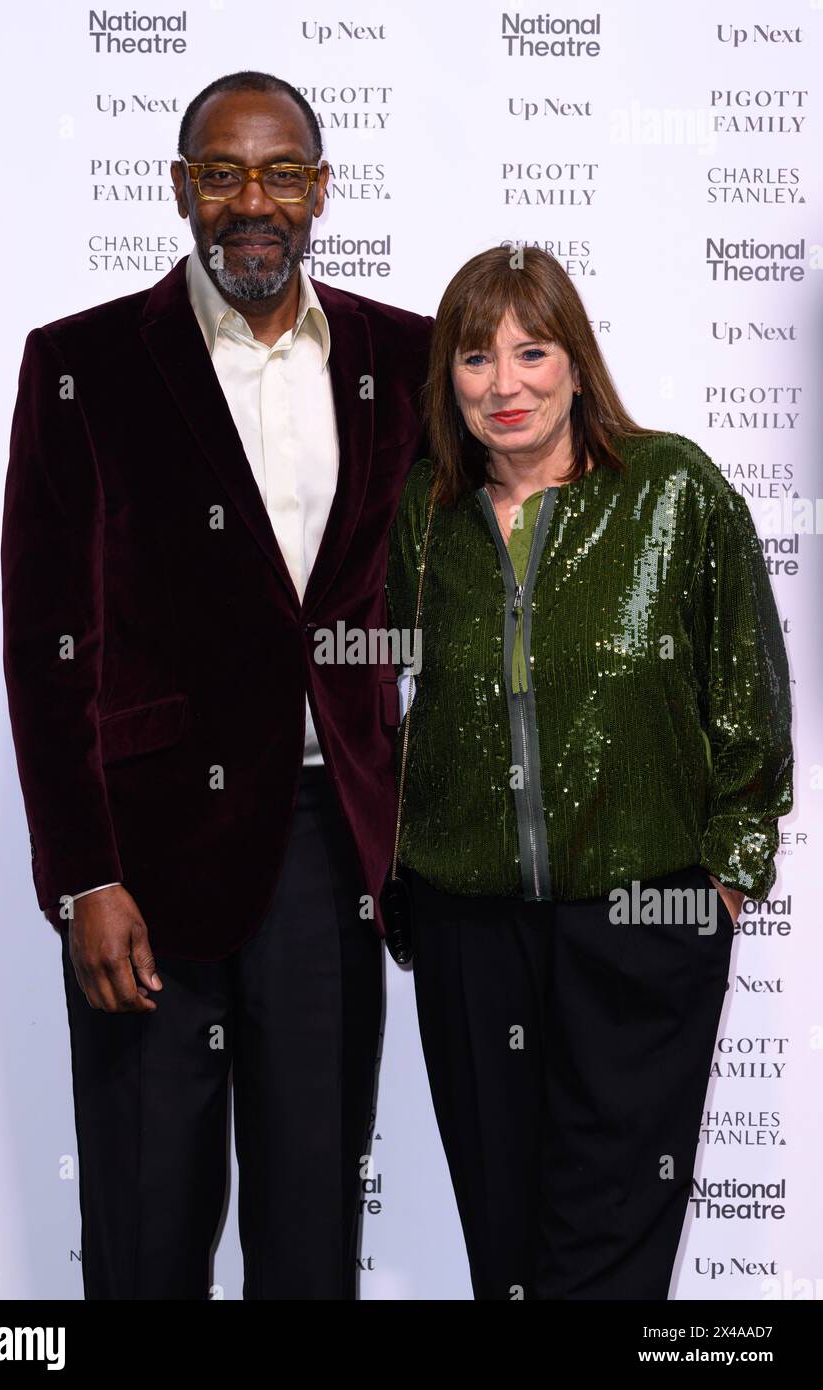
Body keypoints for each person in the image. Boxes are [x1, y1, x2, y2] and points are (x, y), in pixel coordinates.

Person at [1, 70, 432, 1300]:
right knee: (144, 1232)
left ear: (321, 192)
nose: (256, 200)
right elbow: (46, 638)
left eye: (282, 172)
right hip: (144, 859)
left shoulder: (401, 358)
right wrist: (83, 872)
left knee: (310, 1243)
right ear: (183, 189)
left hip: (329, 855)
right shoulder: (83, 363)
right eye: (226, 172)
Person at [385, 244, 793, 1301]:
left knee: (610, 1243)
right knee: (506, 1247)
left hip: (641, 922)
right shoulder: (425, 515)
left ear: (576, 361)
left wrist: (728, 873)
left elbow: (748, 694)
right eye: (476, 358)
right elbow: (379, 701)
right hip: (470, 926)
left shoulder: (672, 489)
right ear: (450, 378)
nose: (505, 384)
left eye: (532, 351)